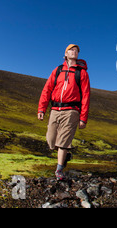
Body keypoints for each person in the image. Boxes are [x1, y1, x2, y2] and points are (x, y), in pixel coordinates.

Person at [37, 44, 90, 180]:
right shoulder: (58, 70)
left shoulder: (82, 73)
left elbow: (85, 96)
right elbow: (47, 89)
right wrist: (42, 108)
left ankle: (59, 170)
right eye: (71, 50)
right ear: (65, 54)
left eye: (76, 50)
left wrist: (83, 118)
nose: (74, 52)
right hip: (55, 109)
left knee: (63, 141)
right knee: (51, 140)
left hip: (71, 111)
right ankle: (66, 156)